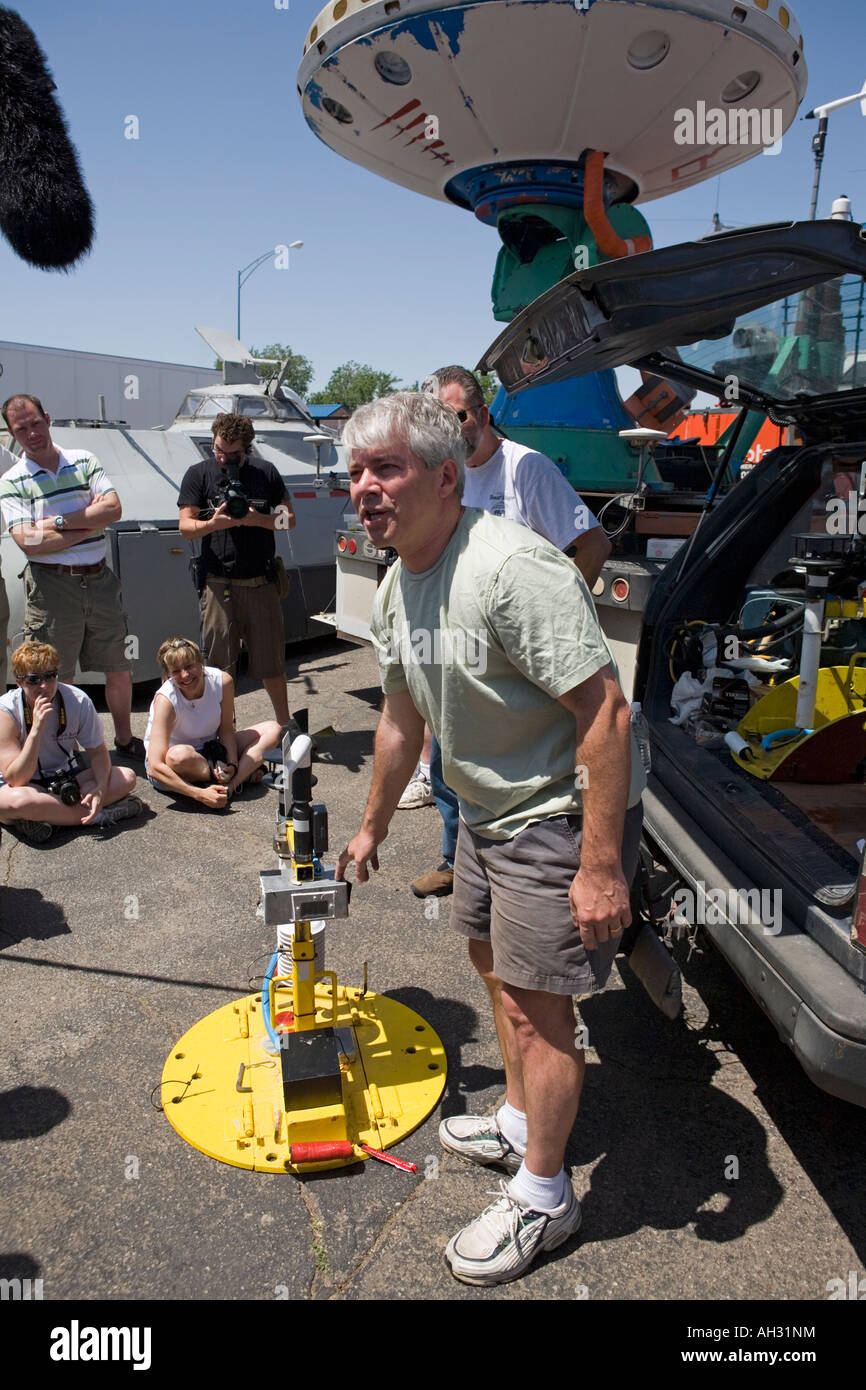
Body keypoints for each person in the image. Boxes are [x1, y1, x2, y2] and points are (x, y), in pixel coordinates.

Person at [336, 392, 644, 1287]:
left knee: (536, 1010)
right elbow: (399, 719)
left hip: (551, 813)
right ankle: (517, 1119)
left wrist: (598, 866)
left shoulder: (512, 569)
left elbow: (607, 714)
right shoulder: (397, 582)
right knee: (489, 964)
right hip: (479, 812)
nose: (364, 489)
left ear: (443, 476)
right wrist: (370, 828)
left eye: (384, 469)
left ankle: (546, 1197)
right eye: (355, 472)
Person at [402, 365, 612, 900]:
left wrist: (558, 627)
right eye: (441, 418)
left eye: (461, 414)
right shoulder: (444, 473)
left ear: (484, 413)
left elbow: (593, 545)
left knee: (530, 772)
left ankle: (561, 873)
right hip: (458, 645)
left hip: (518, 655)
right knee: (453, 763)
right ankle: (459, 862)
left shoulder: (526, 470)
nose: (454, 425)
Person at [0, 394, 144, 759]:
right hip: (52, 587)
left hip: (99, 580)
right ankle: (65, 748)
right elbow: (28, 543)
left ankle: (125, 740)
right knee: (57, 675)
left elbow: (113, 508)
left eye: (35, 423)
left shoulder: (84, 460)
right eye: (21, 429)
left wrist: (59, 524)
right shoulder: (12, 481)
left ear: (47, 418)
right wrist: (89, 524)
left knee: (118, 667)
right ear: (12, 433)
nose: (31, 433)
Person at [177, 413, 297, 729]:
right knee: (218, 668)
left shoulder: (266, 472)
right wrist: (212, 523)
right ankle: (222, 730)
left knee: (271, 663)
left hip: (260, 583)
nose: (223, 458)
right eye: (218, 449)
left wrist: (257, 519)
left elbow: (289, 520)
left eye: (232, 454)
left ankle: (284, 725)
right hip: (218, 584)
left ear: (247, 448)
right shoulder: (198, 474)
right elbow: (186, 527)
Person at [0, 641, 142, 843]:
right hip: (23, 785)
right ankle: (99, 815)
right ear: (19, 682)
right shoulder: (6, 711)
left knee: (126, 777)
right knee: (17, 803)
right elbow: (16, 779)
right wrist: (36, 731)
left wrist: (100, 788)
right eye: (34, 680)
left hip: (65, 779)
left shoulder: (77, 700)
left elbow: (98, 752)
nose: (44, 686)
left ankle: (47, 817)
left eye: (50, 676)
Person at [144, 637, 280, 810]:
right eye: (176, 671)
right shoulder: (166, 700)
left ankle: (231, 785)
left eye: (189, 666)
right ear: (168, 674)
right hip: (175, 764)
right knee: (178, 756)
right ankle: (224, 779)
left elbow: (226, 729)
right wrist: (199, 795)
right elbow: (154, 767)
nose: (185, 675)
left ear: (201, 663)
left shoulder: (222, 681)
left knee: (272, 729)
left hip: (213, 750)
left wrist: (232, 763)